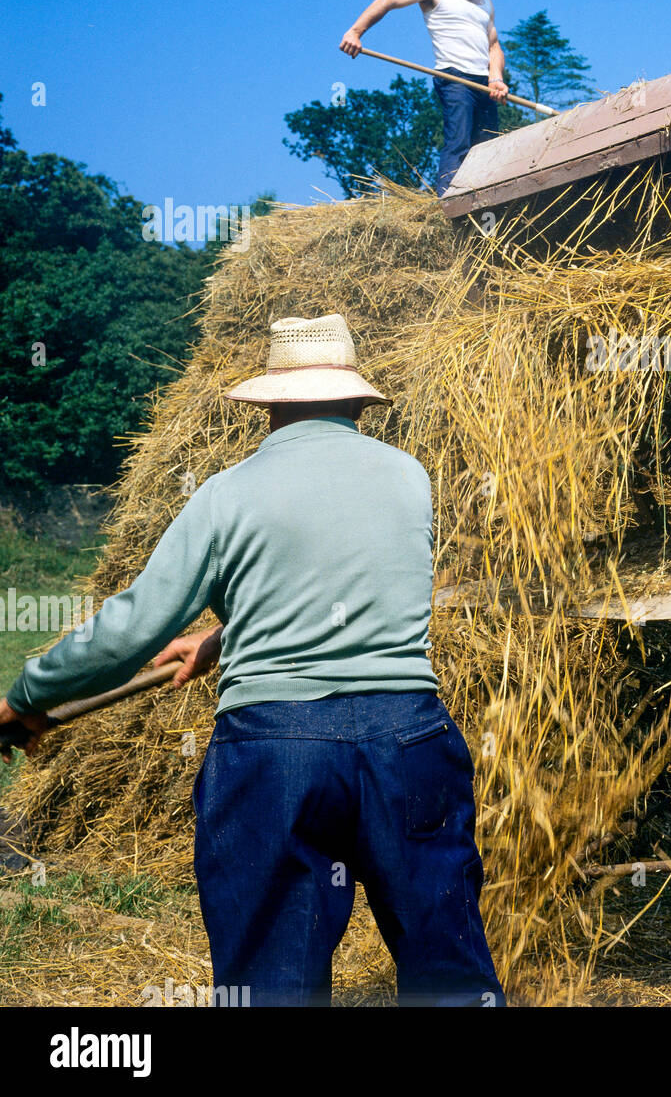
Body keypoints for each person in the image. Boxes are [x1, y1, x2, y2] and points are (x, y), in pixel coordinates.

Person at [0, 314, 504, 1008]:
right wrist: (221, 638)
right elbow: (342, 585)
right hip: (408, 742)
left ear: (266, 403)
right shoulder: (408, 478)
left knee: (272, 985)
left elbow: (134, 627)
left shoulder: (225, 494)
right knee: (448, 971)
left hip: (275, 753)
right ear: (360, 401)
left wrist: (27, 694)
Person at [340, 0, 509, 195]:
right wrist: (356, 31)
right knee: (459, 143)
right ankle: (447, 202)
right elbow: (389, 0)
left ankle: (486, 204)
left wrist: (496, 77)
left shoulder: (485, 1)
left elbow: (494, 45)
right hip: (454, 77)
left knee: (489, 148)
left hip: (484, 84)